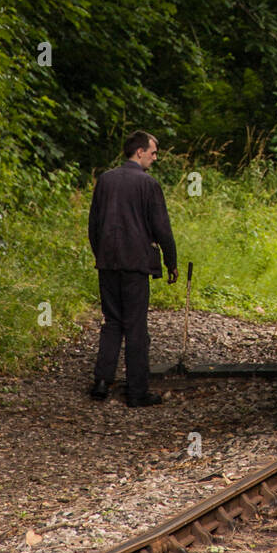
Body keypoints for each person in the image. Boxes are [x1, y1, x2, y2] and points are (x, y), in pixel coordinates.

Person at [88, 130, 178, 406]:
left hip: (108, 262)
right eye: (152, 153)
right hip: (136, 263)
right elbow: (162, 227)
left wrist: (100, 253)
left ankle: (102, 382)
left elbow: (94, 225)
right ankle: (137, 391)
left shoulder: (105, 180)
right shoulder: (148, 184)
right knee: (136, 326)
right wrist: (170, 261)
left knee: (112, 321)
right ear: (139, 152)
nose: (154, 158)